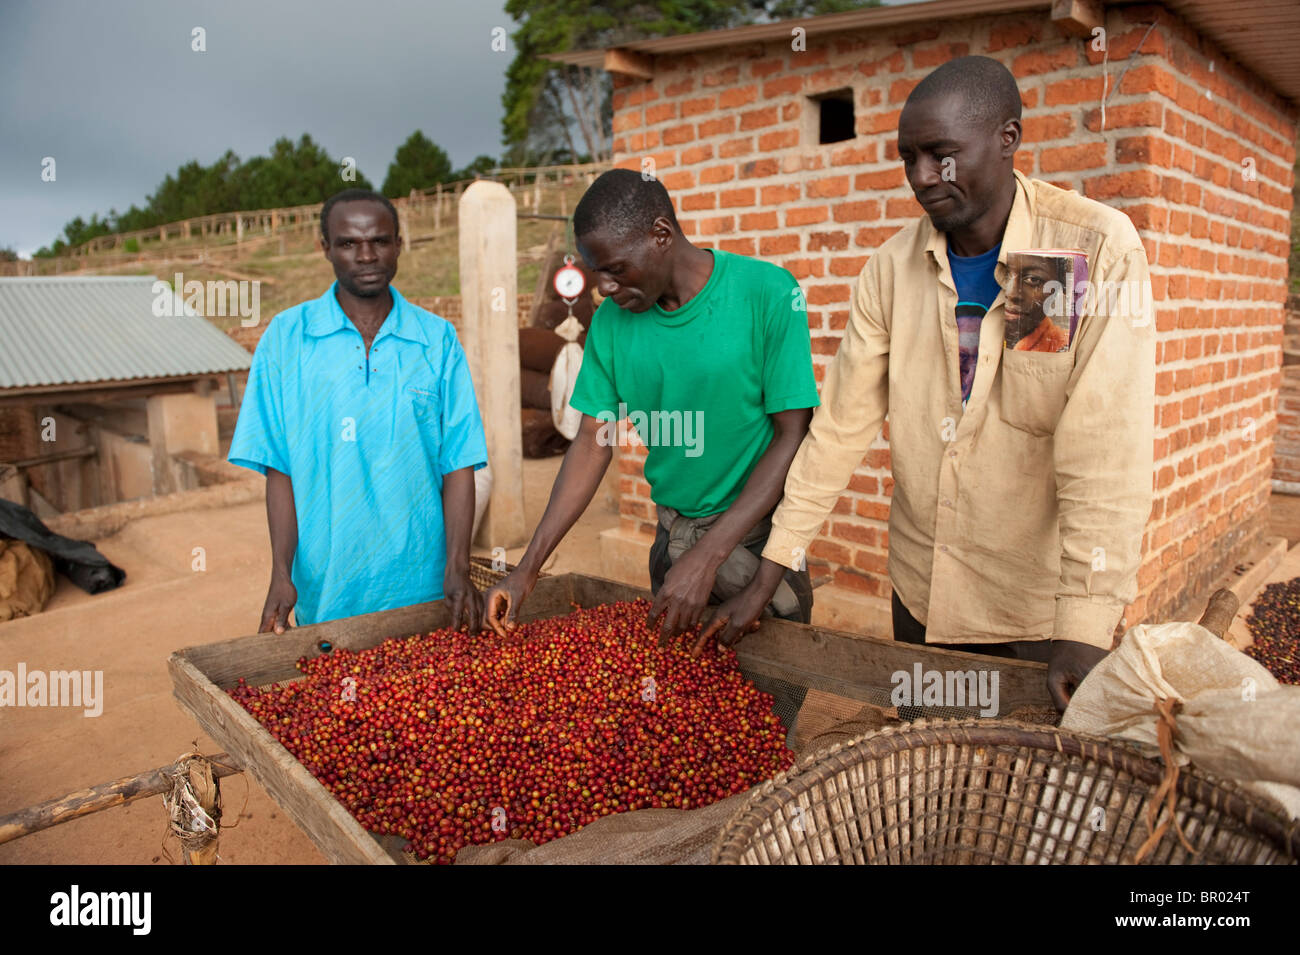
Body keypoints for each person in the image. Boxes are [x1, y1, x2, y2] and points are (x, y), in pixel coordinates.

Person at [701, 56, 1155, 710]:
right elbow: (837, 433)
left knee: (1014, 792)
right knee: (927, 783)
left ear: (1008, 138)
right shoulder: (890, 271)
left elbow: (1103, 448)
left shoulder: (1079, 254)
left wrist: (1083, 622)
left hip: (1027, 614)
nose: (920, 178)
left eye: (941, 155)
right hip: (921, 596)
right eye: (907, 157)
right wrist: (769, 570)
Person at [484, 169, 820, 646]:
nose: (602, 287)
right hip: (672, 544)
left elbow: (793, 435)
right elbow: (591, 443)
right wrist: (526, 570)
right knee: (686, 707)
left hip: (759, 543)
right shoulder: (611, 325)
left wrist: (708, 558)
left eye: (615, 268)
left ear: (661, 235)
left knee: (771, 707)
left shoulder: (765, 293)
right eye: (595, 271)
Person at [228, 188, 488, 633]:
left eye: (380, 241)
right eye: (348, 243)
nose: (366, 255)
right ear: (325, 248)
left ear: (399, 245)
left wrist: (458, 566)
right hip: (329, 588)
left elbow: (459, 463)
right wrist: (280, 574)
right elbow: (279, 469)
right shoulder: (286, 340)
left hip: (425, 587)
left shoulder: (437, 340)